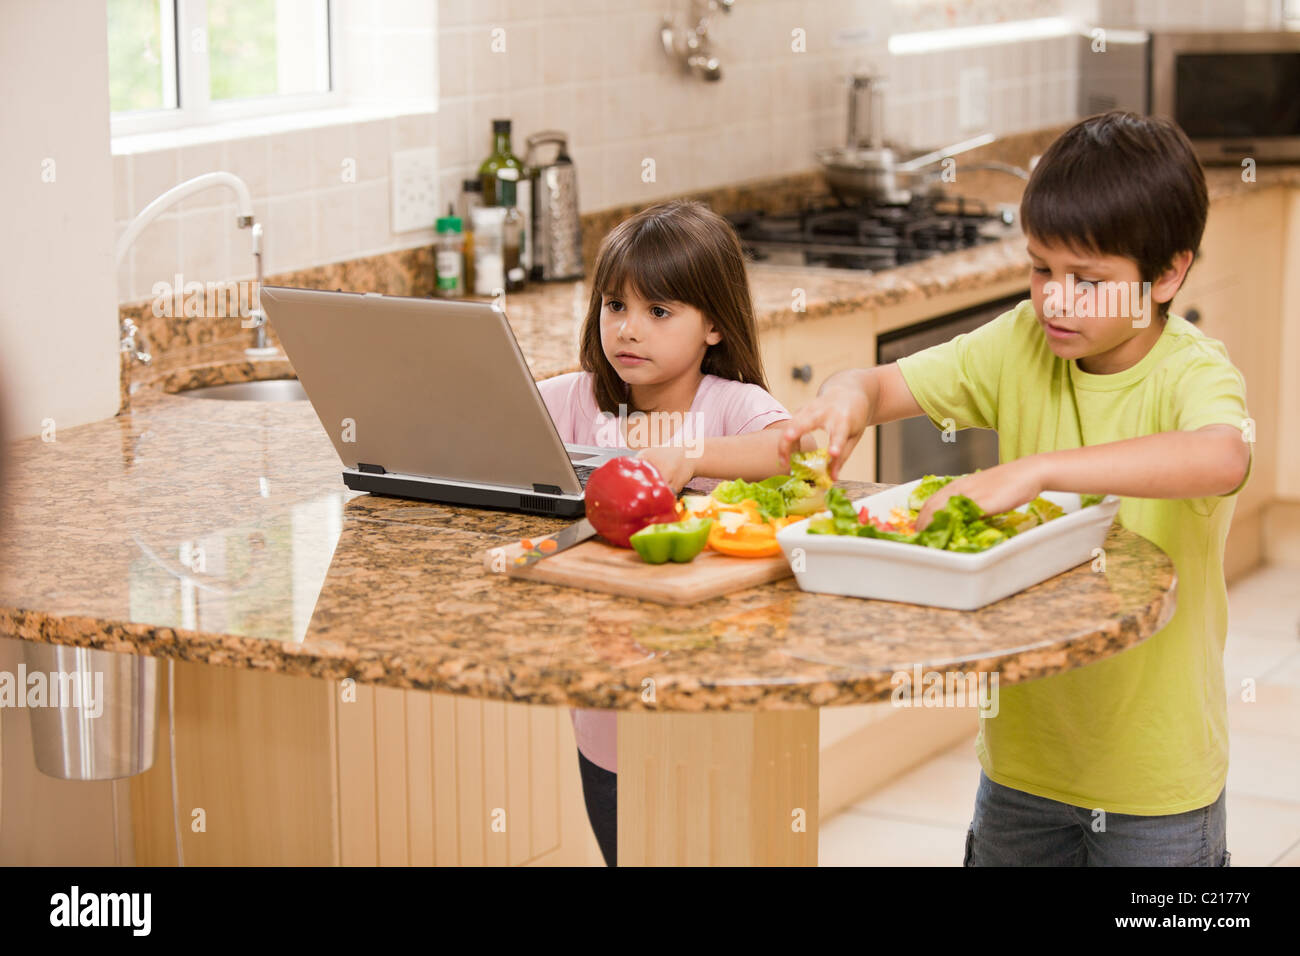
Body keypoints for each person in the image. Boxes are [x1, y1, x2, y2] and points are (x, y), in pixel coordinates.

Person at [778, 111, 1250, 866]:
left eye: (1088, 281)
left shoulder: (1195, 374)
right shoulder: (1020, 343)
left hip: (1156, 783)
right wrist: (843, 400)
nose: (1056, 302)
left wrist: (1036, 469)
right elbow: (871, 383)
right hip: (1023, 772)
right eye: (1040, 269)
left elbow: (1221, 458)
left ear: (1167, 274)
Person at [537, 199, 814, 866]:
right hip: (605, 717)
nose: (629, 330)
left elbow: (804, 461)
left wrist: (692, 454)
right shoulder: (574, 400)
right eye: (615, 307)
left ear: (713, 324)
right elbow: (488, 426)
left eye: (659, 312)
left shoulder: (732, 405)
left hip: (714, 715)